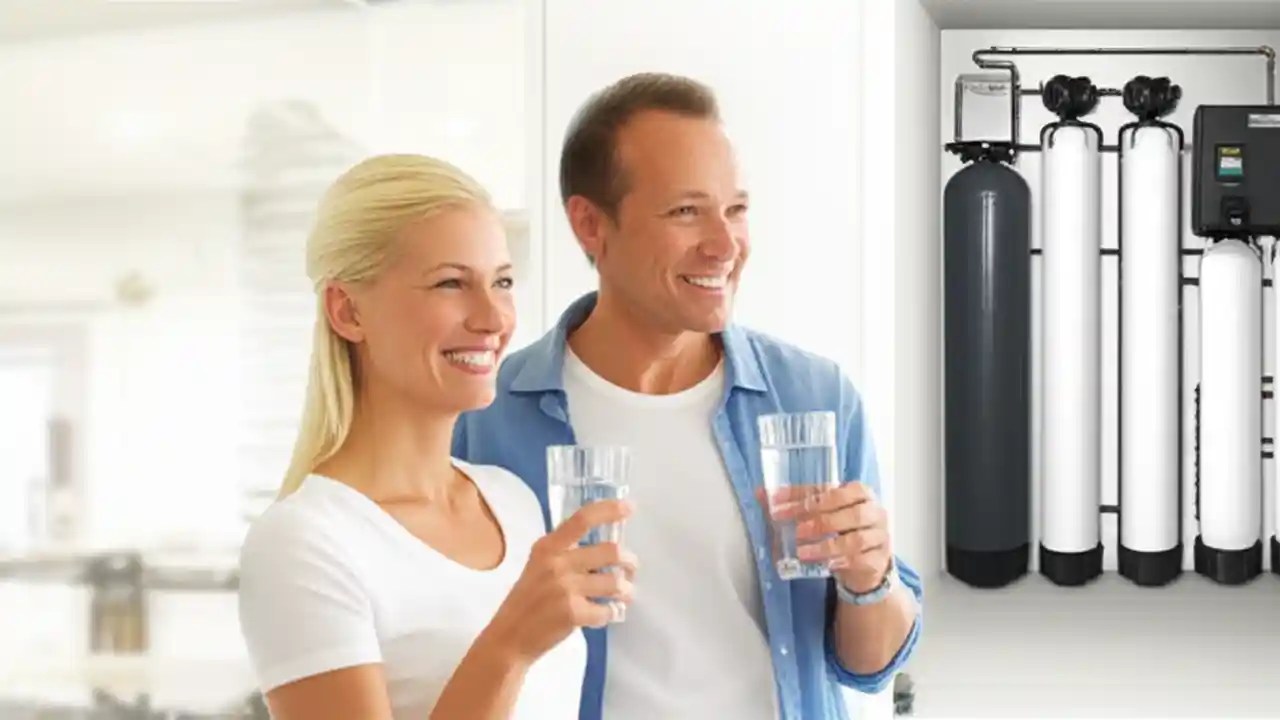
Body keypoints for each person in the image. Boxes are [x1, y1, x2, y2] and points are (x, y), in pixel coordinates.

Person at [452, 72, 924, 720]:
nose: (725, 246)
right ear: (590, 224)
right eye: (685, 212)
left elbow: (869, 666)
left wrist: (871, 577)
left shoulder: (813, 397)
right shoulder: (487, 417)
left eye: (736, 210)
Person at [236, 154, 637, 720]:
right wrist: (510, 644)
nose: (493, 318)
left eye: (502, 282)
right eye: (451, 283)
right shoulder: (305, 543)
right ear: (348, 311)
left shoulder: (511, 501)